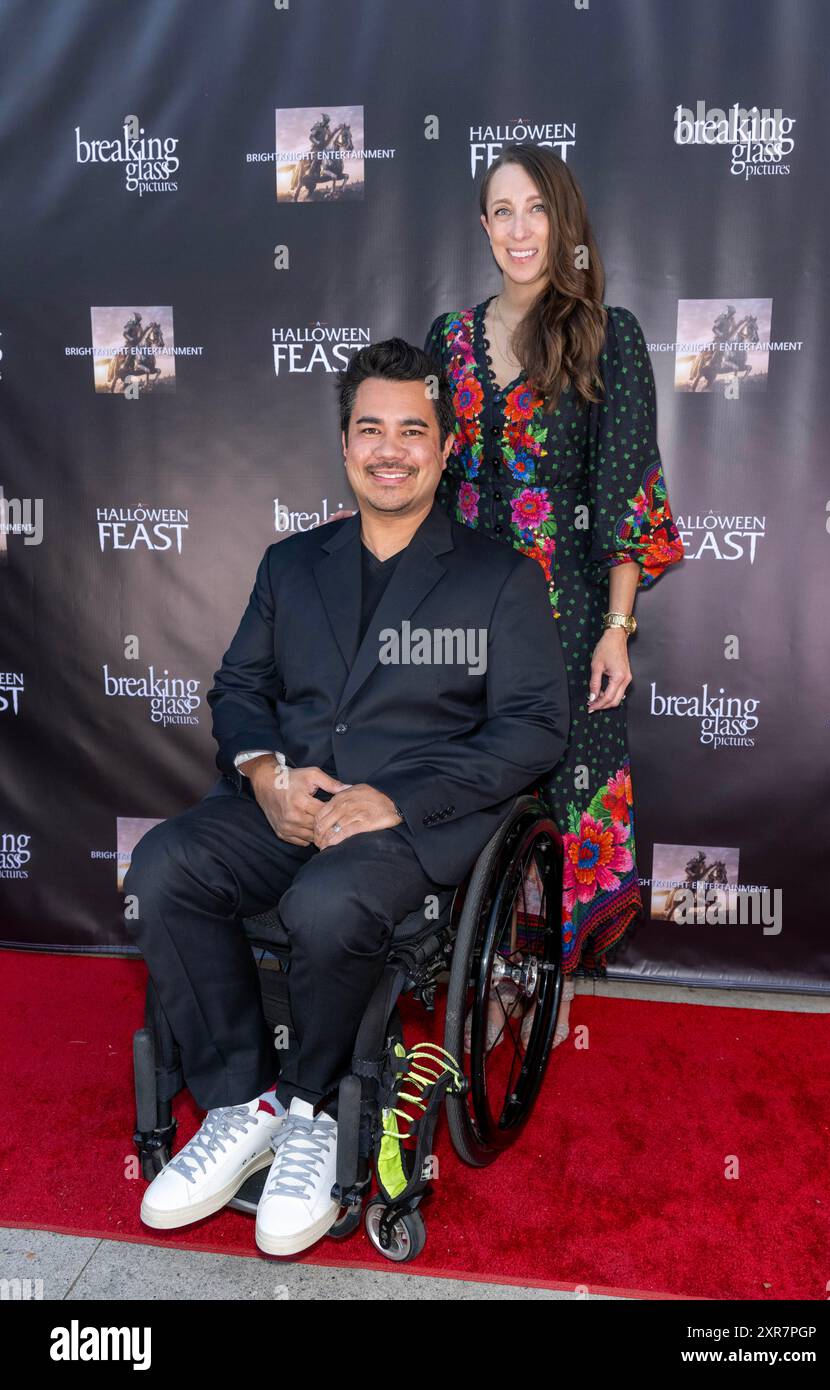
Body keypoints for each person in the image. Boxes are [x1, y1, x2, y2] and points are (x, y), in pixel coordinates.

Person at [122, 337, 570, 1257]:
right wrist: (264, 776)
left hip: (413, 825)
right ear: (344, 445)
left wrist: (396, 799)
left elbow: (532, 729)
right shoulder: (291, 564)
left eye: (415, 429)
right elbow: (240, 689)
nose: (391, 448)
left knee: (328, 903)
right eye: (371, 428)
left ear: (446, 450)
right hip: (287, 805)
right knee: (164, 863)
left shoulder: (501, 579)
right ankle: (242, 1102)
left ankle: (314, 1107)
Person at [423, 142, 684, 1046]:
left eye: (536, 209)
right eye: (503, 211)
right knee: (465, 789)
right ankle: (463, 966)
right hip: (458, 614)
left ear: (562, 222)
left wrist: (619, 626)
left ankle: (528, 983)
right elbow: (425, 483)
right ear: (484, 228)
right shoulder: (449, 340)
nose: (520, 229)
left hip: (568, 620)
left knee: (557, 802)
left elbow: (627, 493)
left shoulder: (608, 335)